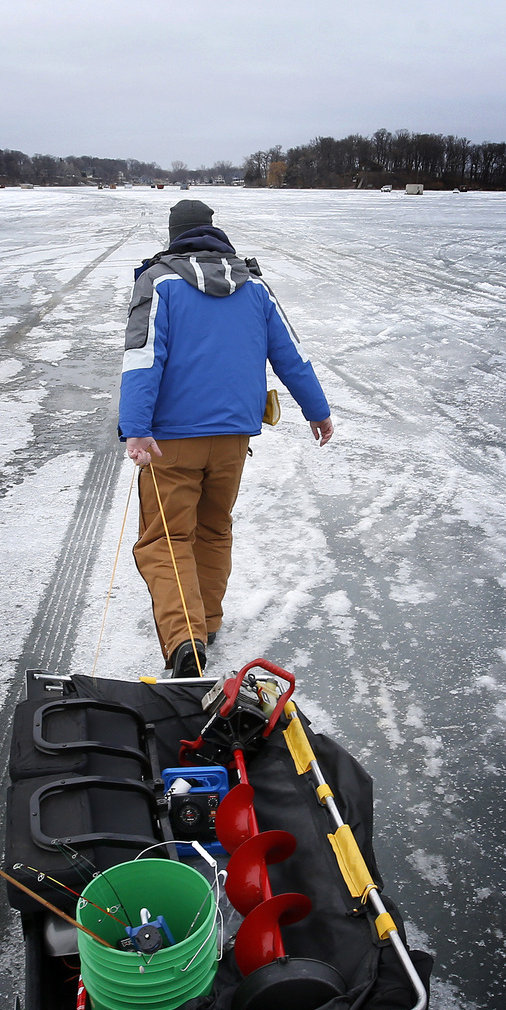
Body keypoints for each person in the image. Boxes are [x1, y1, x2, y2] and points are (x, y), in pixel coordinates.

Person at [119, 199, 333, 677]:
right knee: (213, 528)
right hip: (234, 439)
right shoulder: (254, 285)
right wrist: (318, 411)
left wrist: (136, 427)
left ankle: (186, 640)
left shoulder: (159, 281)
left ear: (173, 235)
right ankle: (207, 622)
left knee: (167, 539)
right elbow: (291, 355)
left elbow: (142, 356)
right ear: (214, 233)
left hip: (171, 440)